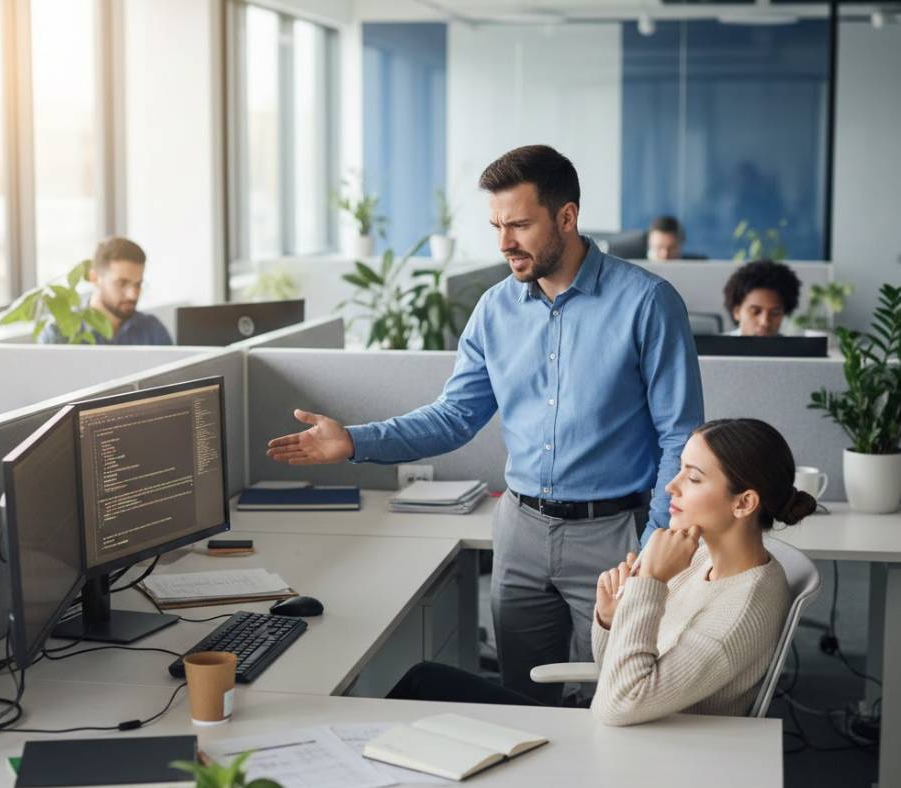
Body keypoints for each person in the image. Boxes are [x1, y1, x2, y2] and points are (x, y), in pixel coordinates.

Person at [266, 144, 704, 705]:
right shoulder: (494, 311)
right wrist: (353, 440)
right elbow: (455, 417)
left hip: (614, 535)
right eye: (496, 225)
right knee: (524, 702)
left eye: (519, 225)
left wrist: (653, 549)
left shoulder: (647, 303)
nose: (503, 243)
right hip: (520, 532)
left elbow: (680, 437)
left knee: (618, 699)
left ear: (566, 217)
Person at [387, 418, 817, 727]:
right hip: (625, 727)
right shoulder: (703, 556)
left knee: (425, 686)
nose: (671, 486)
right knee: (426, 681)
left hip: (639, 753)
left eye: (693, 477)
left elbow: (620, 703)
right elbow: (617, 667)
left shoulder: (740, 611)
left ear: (743, 503)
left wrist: (650, 584)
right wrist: (611, 618)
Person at [38, 237, 172, 345]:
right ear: (95, 278)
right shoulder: (58, 333)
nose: (133, 294)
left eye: (138, 284)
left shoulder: (153, 331)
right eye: (122, 283)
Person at [723, 259, 801, 337]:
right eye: (755, 312)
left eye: (775, 313)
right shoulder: (717, 347)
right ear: (737, 312)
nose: (765, 322)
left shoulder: (792, 348)